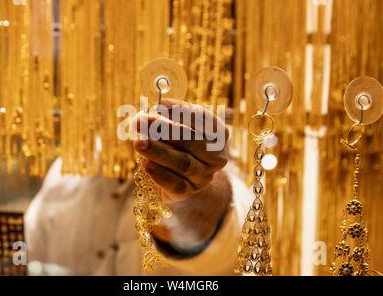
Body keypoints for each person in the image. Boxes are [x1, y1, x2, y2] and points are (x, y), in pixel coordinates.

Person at [25, 99, 253, 275]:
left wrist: (194, 193)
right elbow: (36, 254)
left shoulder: (231, 164)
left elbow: (230, 246)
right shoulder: (65, 169)